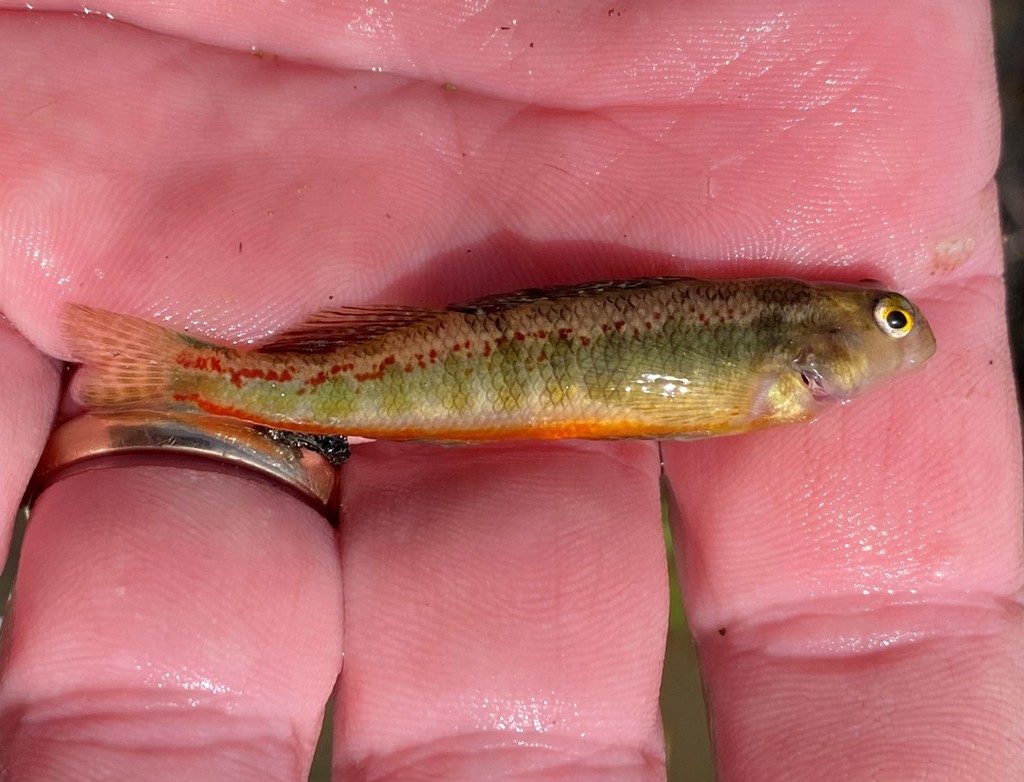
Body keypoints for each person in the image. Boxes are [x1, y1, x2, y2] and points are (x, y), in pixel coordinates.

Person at [0, 2, 1019, 779]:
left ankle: (205, 380)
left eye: (896, 318)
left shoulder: (781, 366)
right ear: (816, 335)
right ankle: (195, 376)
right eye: (889, 319)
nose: (905, 331)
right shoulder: (776, 359)